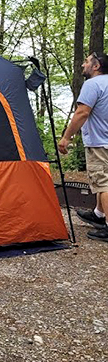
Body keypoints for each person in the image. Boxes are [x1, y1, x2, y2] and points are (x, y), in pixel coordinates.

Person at [59, 51, 108, 241]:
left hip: (100, 143)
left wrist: (66, 138)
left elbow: (82, 113)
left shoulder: (92, 84)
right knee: (102, 179)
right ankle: (98, 214)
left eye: (87, 62)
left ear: (96, 67)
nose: (83, 65)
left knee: (103, 183)